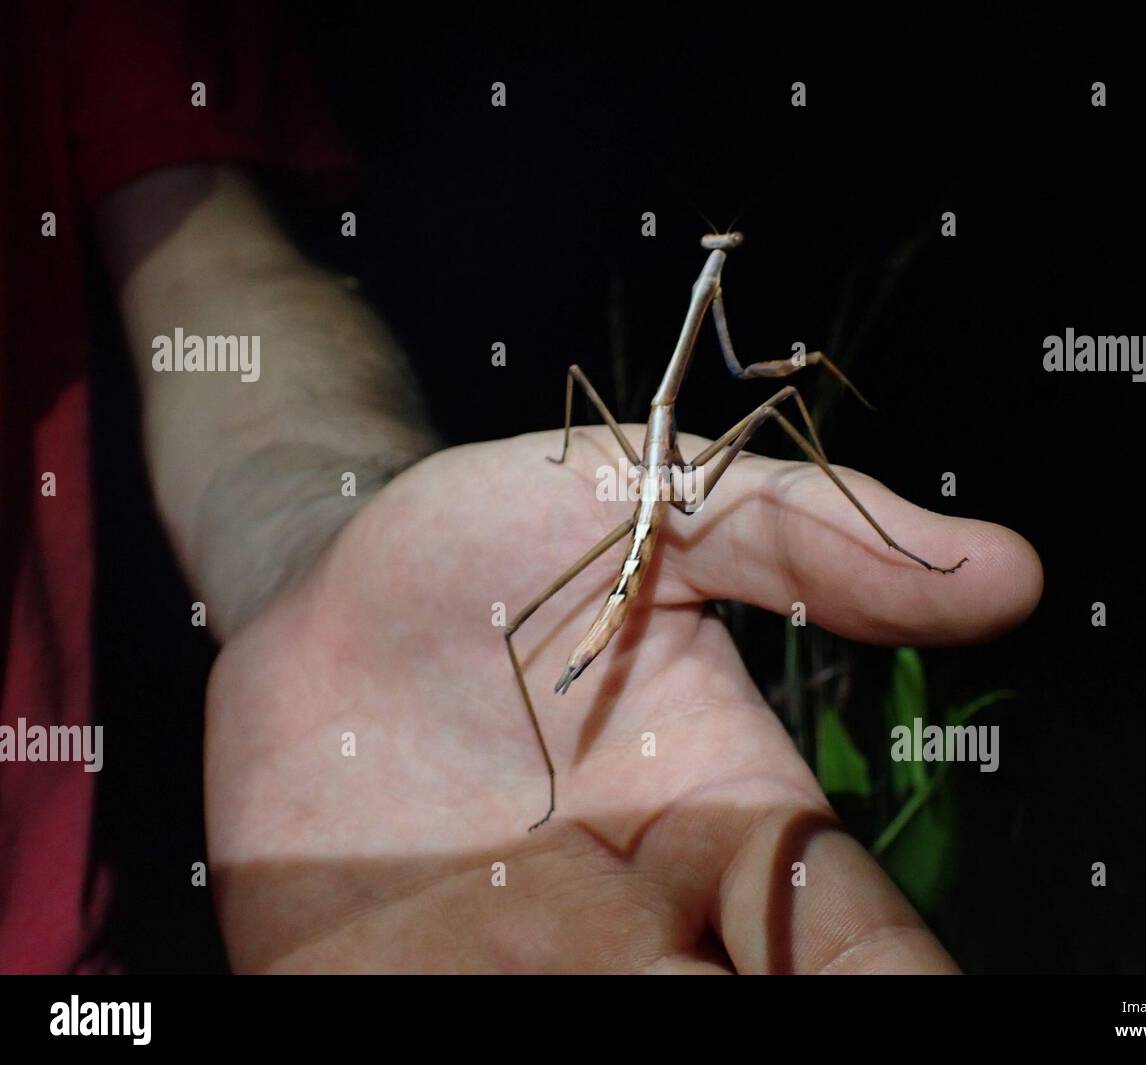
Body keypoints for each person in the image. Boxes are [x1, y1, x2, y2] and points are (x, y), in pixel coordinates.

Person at [1, 3, 1042, 973]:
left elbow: (211, 268)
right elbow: (720, 374)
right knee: (771, 412)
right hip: (623, 550)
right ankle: (553, 778)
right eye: (717, 254)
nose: (722, 258)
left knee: (776, 402)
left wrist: (317, 539)